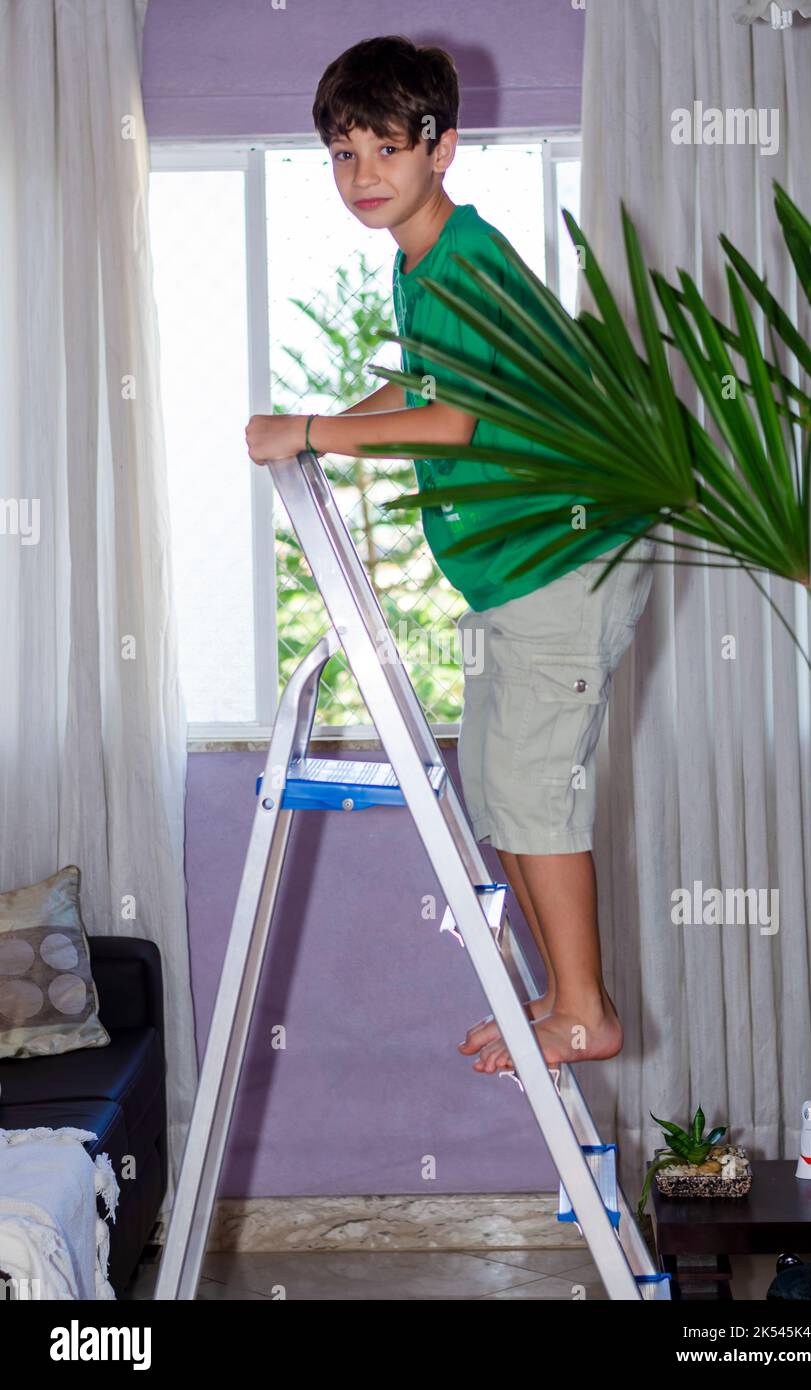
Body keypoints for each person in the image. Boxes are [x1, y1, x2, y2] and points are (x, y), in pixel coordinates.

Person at [244, 35, 656, 1074]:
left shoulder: (465, 262)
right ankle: (564, 993)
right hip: (524, 574)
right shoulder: (422, 267)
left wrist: (314, 431)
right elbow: (424, 391)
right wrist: (326, 421)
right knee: (503, 791)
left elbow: (458, 420)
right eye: (343, 154)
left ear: (444, 148)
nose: (362, 175)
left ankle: (585, 1010)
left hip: (563, 562)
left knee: (532, 788)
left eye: (386, 149)